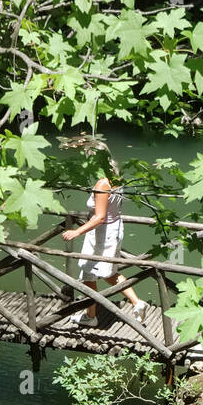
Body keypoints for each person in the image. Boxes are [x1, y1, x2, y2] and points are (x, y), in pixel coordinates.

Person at [60, 136, 147, 327]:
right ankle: (137, 302)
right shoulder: (117, 176)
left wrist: (77, 232)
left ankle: (91, 316)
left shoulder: (102, 184)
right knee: (109, 272)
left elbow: (99, 216)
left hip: (102, 232)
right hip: (114, 228)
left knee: (87, 272)